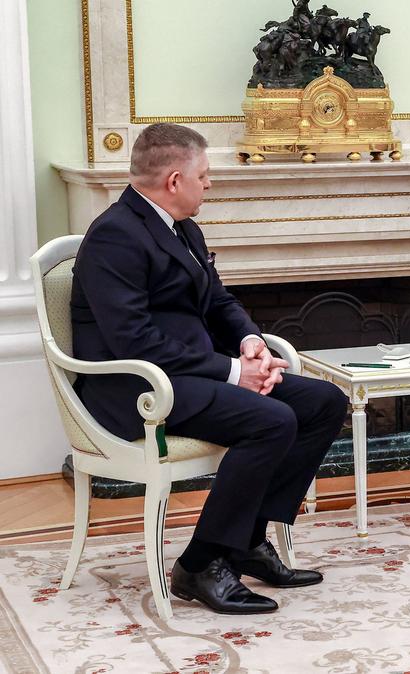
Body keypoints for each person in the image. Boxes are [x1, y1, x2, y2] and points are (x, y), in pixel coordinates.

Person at [71, 123, 349, 615]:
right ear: (175, 180)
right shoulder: (115, 236)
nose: (209, 184)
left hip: (191, 374)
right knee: (272, 420)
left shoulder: (182, 227)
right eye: (203, 176)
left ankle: (246, 542)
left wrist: (250, 343)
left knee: (324, 402)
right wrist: (233, 373)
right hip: (137, 388)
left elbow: (219, 301)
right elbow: (134, 341)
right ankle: (200, 564)